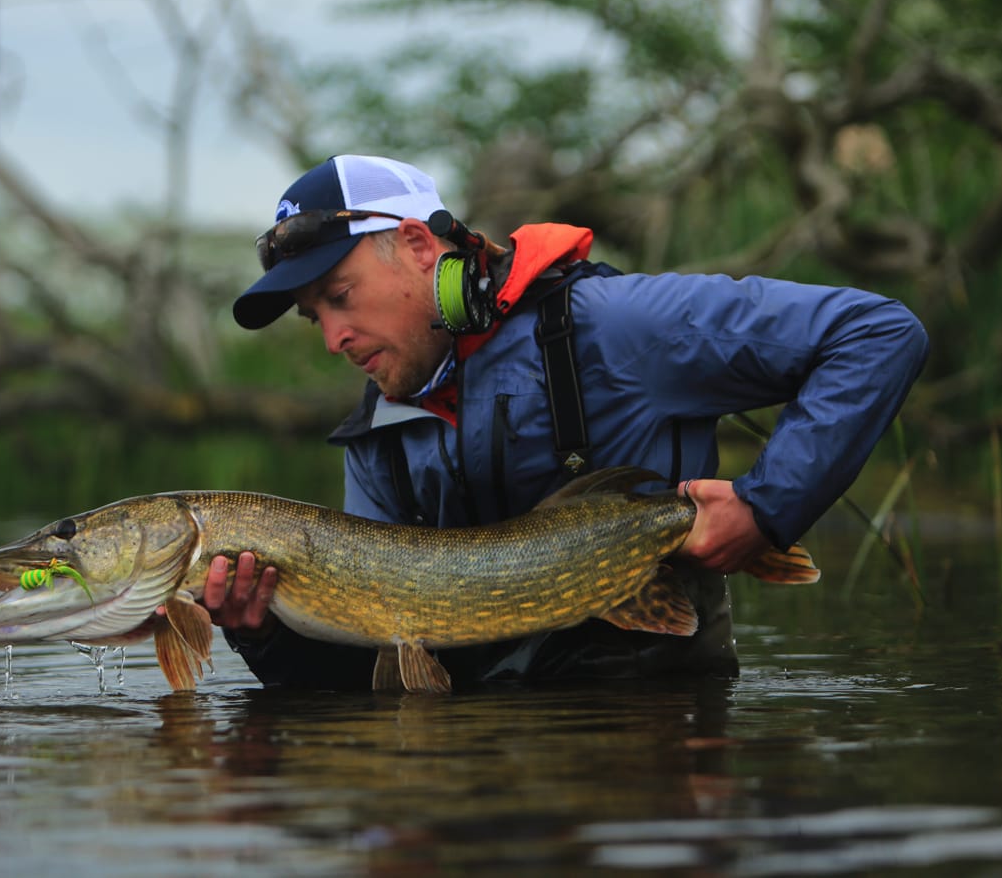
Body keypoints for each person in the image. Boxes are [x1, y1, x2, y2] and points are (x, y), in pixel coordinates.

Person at [202, 153, 928, 689]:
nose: (332, 338)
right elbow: (363, 685)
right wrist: (262, 632)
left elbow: (876, 334)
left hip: (654, 745)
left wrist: (768, 507)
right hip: (477, 781)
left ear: (421, 248)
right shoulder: (378, 439)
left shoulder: (613, 328)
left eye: (340, 295)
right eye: (314, 316)